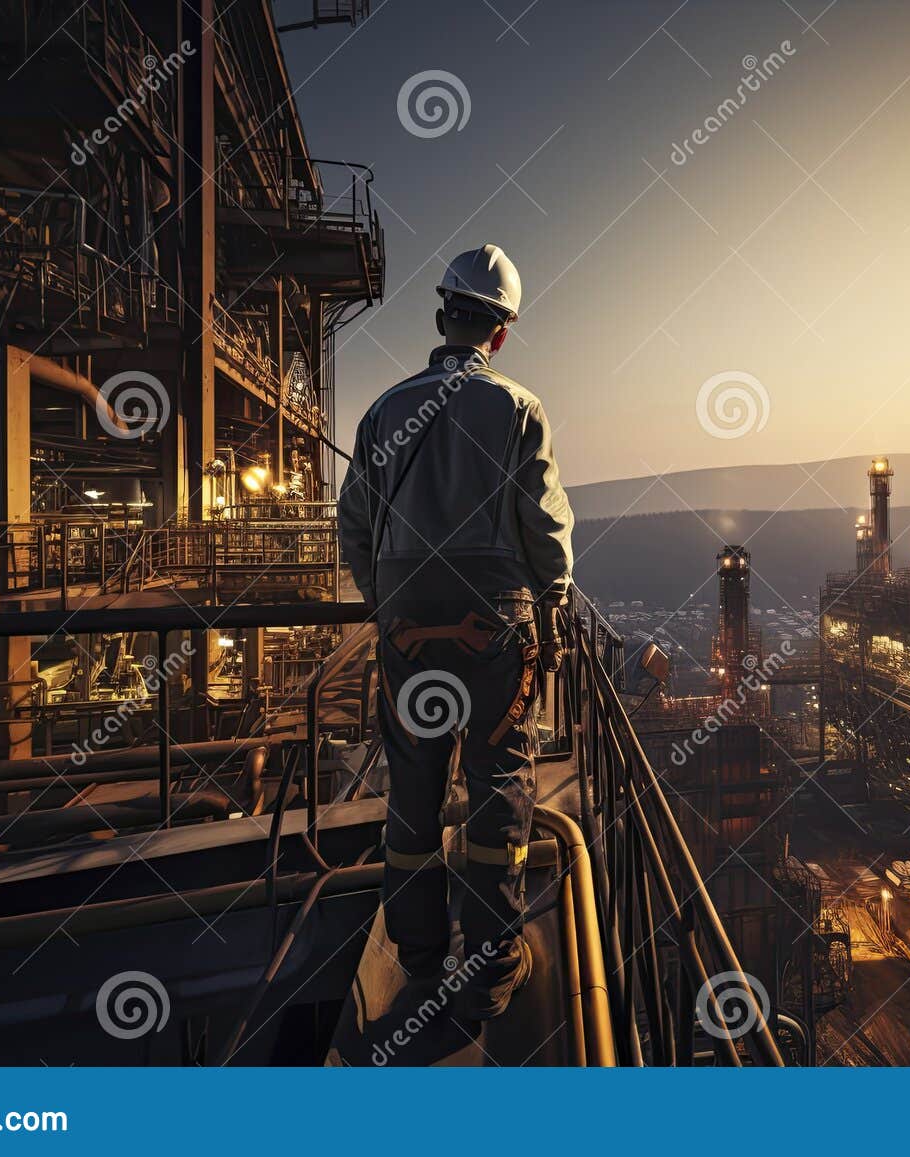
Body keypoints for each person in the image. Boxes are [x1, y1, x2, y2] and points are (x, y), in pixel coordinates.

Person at [337, 243, 574, 1021]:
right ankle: (494, 957)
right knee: (497, 783)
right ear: (501, 333)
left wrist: (388, 599)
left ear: (442, 314)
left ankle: (419, 954)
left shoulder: (383, 411)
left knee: (413, 788)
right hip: (494, 628)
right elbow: (542, 526)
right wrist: (555, 590)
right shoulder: (516, 409)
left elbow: (356, 525)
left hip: (408, 630)